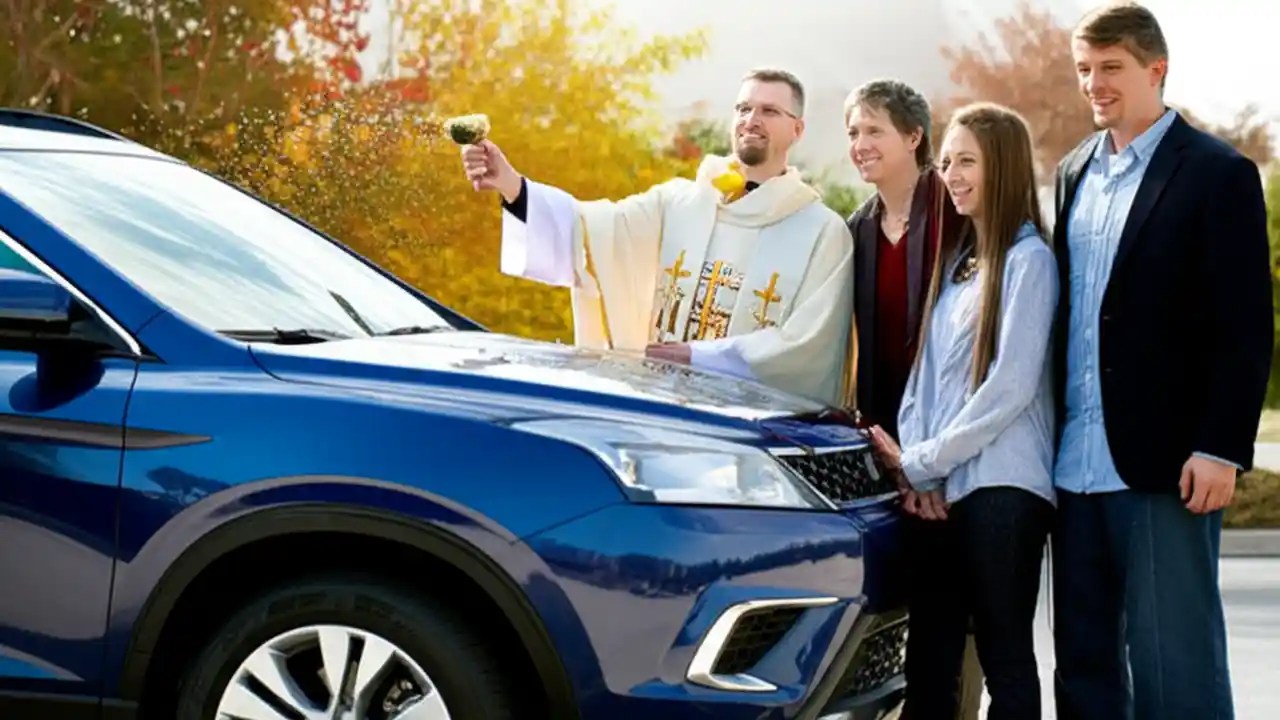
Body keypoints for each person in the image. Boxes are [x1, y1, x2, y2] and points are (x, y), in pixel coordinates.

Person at [1050, 3, 1273, 719]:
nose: (1094, 84)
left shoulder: (1218, 174)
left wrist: (1219, 446)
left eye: (1110, 68)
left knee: (1174, 662)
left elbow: (1245, 327)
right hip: (1073, 465)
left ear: (1156, 68)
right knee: (1084, 665)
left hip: (1166, 464)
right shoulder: (1072, 172)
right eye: (1085, 69)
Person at [459, 68, 855, 405]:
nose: (751, 119)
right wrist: (512, 185)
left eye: (769, 111)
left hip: (748, 433)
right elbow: (593, 232)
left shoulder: (822, 231)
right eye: (743, 108)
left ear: (797, 129)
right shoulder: (678, 201)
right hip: (662, 411)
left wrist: (701, 357)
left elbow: (810, 345)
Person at [867, 101, 1058, 720]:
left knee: (1005, 655)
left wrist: (922, 460)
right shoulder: (958, 264)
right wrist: (916, 471)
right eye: (946, 162)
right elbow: (923, 378)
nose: (950, 174)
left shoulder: (1030, 260)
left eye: (966, 161)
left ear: (1001, 167)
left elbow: (1010, 387)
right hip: (941, 486)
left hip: (1004, 490)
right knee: (929, 654)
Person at [842, 79, 983, 720]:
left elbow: (975, 352)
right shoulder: (858, 229)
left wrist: (932, 461)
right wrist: (897, 461)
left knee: (958, 620)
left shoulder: (958, 215)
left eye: (873, 130)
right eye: (851, 133)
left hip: (958, 446)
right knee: (913, 615)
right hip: (890, 451)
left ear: (914, 137)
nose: (859, 144)